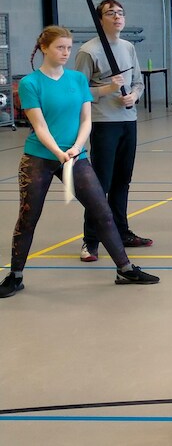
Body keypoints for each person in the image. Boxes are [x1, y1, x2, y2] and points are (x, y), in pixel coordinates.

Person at [1, 26, 159, 298]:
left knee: (102, 211)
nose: (65, 52)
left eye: (68, 47)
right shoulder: (30, 83)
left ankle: (124, 268)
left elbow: (86, 120)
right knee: (28, 218)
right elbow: (39, 126)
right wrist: (59, 152)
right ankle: (15, 276)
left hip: (76, 155)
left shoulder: (76, 80)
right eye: (60, 47)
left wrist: (75, 148)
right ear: (44, 49)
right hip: (39, 156)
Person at [75, 0, 153, 263]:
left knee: (123, 180)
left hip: (127, 121)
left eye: (120, 13)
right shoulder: (89, 51)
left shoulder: (128, 47)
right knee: (101, 184)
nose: (117, 17)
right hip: (103, 123)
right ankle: (90, 240)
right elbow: (78, 91)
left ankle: (121, 232)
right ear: (101, 20)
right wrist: (107, 89)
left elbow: (139, 82)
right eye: (111, 13)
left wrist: (133, 95)